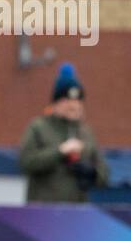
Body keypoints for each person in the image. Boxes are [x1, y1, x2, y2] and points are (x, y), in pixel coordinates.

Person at [19, 64, 109, 203]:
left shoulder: (85, 132)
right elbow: (26, 163)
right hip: (43, 212)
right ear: (55, 103)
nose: (73, 105)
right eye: (67, 100)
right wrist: (59, 152)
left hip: (77, 212)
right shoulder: (39, 127)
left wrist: (92, 173)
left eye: (78, 100)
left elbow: (104, 173)